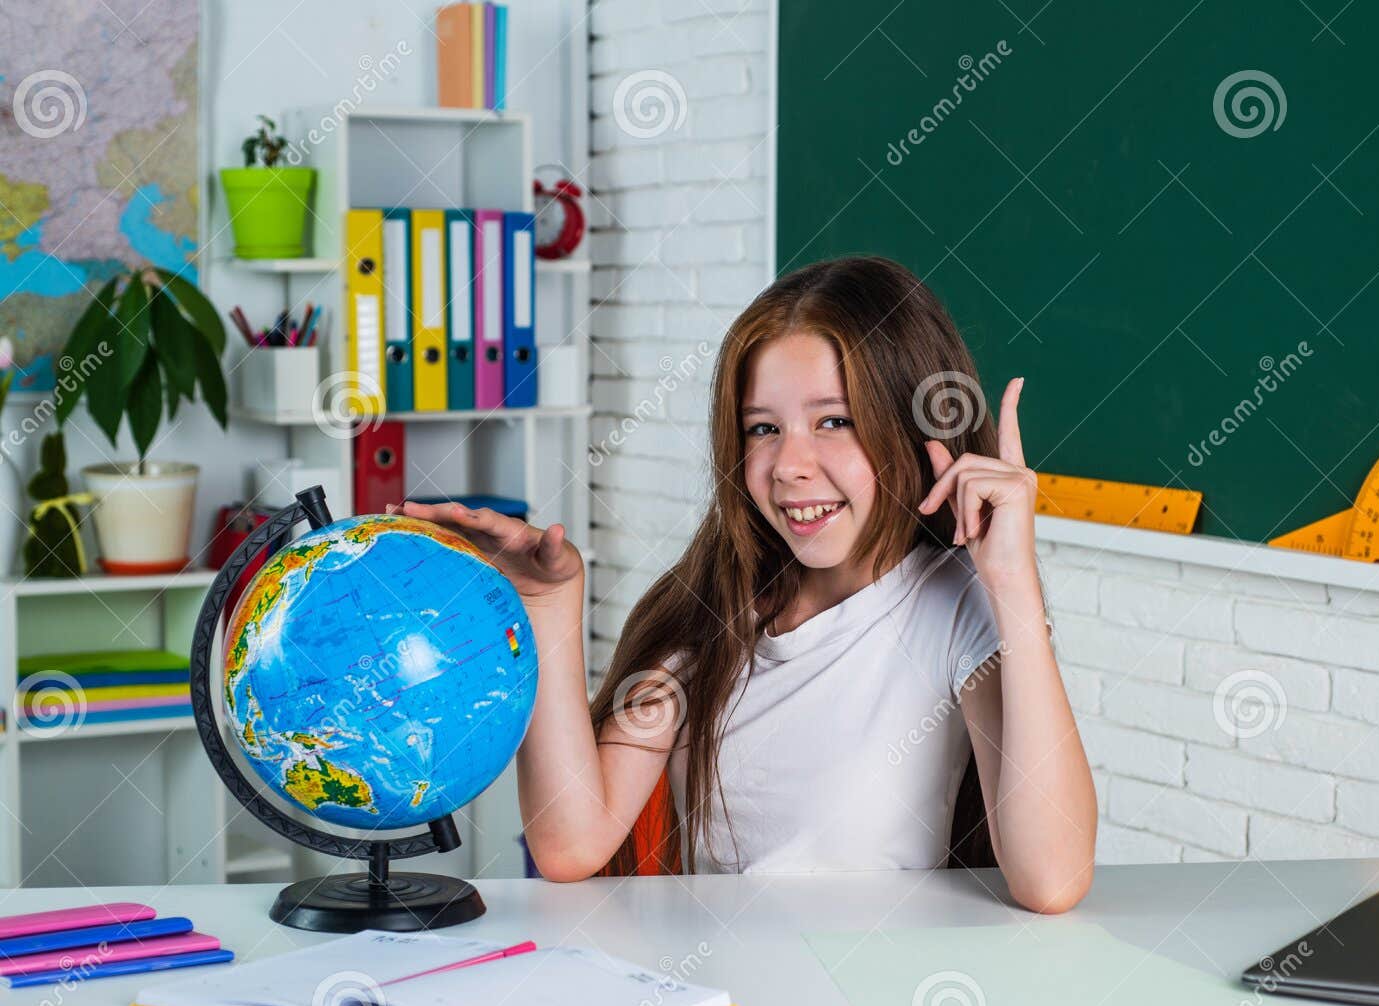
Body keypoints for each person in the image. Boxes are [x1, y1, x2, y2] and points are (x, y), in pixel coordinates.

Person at [398, 255, 1096, 913]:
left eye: (834, 421)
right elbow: (569, 843)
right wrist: (548, 607)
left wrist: (1013, 583)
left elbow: (1052, 879)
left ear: (916, 430)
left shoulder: (956, 604)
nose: (789, 464)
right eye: (762, 427)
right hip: (726, 1005)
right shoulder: (712, 617)